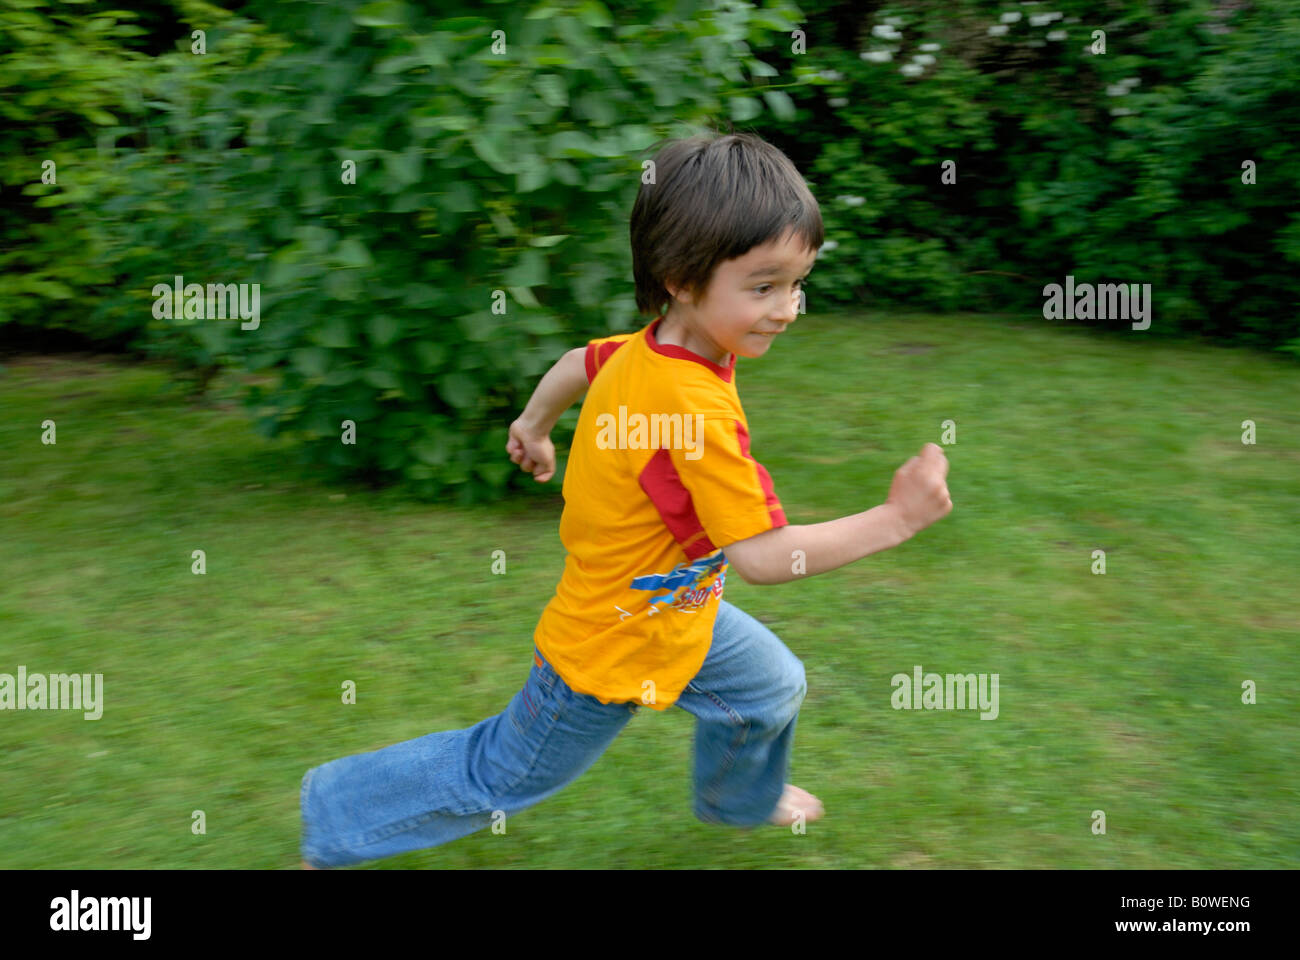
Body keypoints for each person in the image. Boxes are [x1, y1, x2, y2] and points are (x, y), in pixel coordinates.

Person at [299, 130, 952, 868]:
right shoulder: (694, 410)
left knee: (772, 685)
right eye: (763, 286)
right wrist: (895, 520)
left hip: (677, 606)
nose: (787, 309)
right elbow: (766, 558)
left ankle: (738, 800)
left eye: (797, 284)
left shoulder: (654, 347)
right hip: (610, 642)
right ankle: (336, 818)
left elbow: (580, 361)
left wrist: (533, 424)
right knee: (502, 773)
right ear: (681, 278)